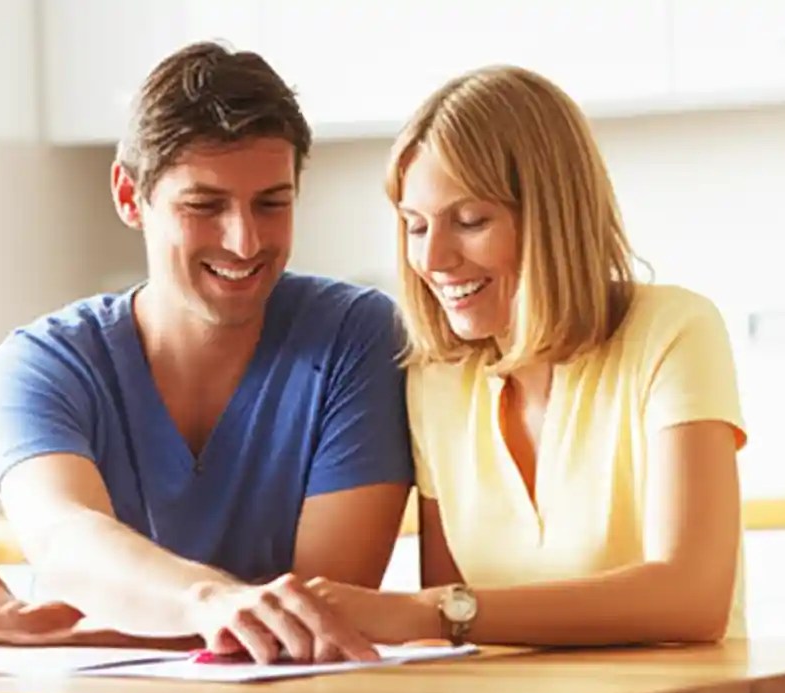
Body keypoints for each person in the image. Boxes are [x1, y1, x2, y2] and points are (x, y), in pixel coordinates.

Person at [0, 41, 414, 665]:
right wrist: (207, 603)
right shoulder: (43, 365)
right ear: (130, 197)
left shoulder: (357, 337)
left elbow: (313, 620)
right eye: (204, 206)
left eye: (272, 203)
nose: (244, 241)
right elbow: (65, 536)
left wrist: (46, 624)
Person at [307, 65, 748, 647]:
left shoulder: (673, 332)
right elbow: (452, 645)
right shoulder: (437, 379)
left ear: (552, 216)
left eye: (470, 221)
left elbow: (691, 598)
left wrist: (431, 611)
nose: (434, 257)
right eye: (415, 227)